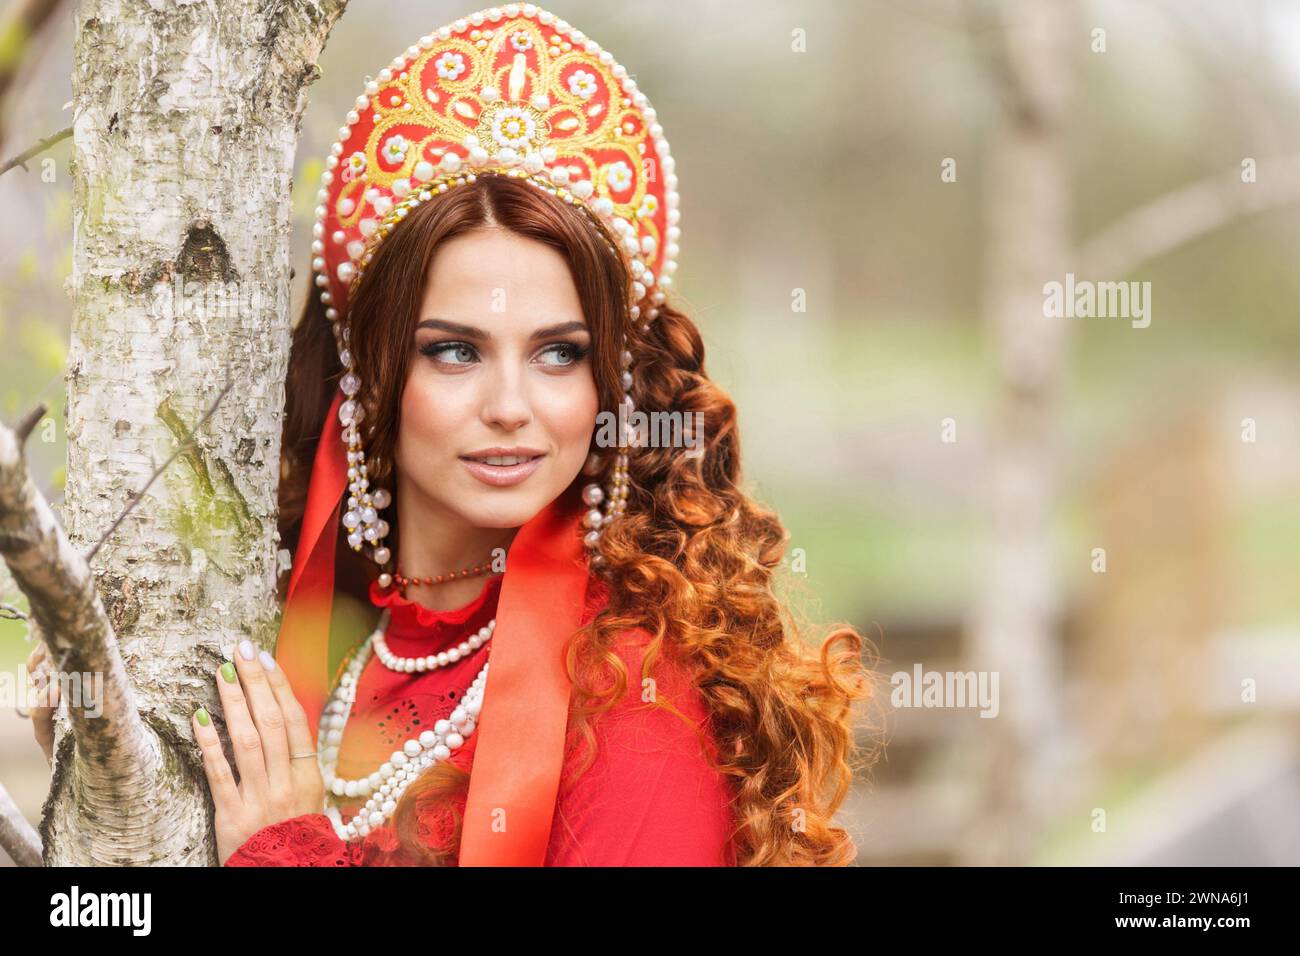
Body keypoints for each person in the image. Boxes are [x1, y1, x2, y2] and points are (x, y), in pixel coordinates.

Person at [29, 4, 875, 867]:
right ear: (371, 372)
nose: (511, 404)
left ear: (607, 384)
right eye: (456, 350)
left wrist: (292, 854)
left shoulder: (633, 694)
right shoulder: (291, 631)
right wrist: (105, 763)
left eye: (557, 353)